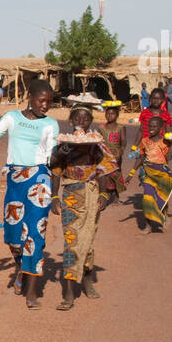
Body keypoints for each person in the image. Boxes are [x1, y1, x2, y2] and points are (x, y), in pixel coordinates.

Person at [0, 79, 59, 310]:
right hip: (15, 180)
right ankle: (22, 269)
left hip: (40, 180)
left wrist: (64, 152)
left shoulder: (51, 124)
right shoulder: (12, 118)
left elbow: (51, 159)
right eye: (41, 101)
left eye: (49, 102)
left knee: (35, 235)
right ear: (30, 97)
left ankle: (32, 290)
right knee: (14, 235)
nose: (45, 106)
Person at [49, 105, 118, 311]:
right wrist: (54, 196)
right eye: (77, 117)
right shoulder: (64, 144)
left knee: (87, 240)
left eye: (86, 118)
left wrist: (104, 194)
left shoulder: (96, 144)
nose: (82, 121)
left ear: (90, 122)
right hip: (71, 194)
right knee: (72, 242)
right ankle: (68, 293)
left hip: (91, 194)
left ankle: (87, 281)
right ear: (71, 121)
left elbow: (104, 170)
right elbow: (54, 169)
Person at [126, 116, 172, 232]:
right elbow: (141, 158)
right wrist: (131, 174)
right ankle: (148, 225)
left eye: (154, 126)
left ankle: (163, 215)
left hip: (162, 173)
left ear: (160, 128)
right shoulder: (145, 141)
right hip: (149, 173)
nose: (151, 128)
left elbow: (168, 158)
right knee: (147, 198)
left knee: (161, 198)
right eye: (149, 126)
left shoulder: (165, 142)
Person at [97, 100, 129, 204]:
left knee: (115, 175)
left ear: (117, 115)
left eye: (113, 114)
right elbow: (98, 140)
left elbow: (123, 142)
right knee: (104, 175)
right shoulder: (101, 127)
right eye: (108, 113)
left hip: (116, 155)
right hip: (104, 155)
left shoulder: (120, 128)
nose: (110, 116)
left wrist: (121, 152)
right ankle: (105, 195)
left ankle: (115, 195)